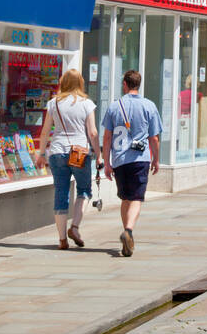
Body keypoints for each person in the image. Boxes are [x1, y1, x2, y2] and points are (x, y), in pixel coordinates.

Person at [36, 68, 101, 250]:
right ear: (80, 83)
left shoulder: (53, 103)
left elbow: (45, 131)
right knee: (84, 190)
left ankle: (62, 239)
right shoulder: (86, 104)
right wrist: (99, 155)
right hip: (79, 151)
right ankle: (75, 227)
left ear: (63, 83)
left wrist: (41, 154)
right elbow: (93, 132)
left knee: (61, 193)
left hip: (57, 151)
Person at [101, 70, 162, 258]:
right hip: (140, 159)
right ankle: (128, 230)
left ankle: (126, 232)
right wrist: (156, 159)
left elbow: (107, 137)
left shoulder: (114, 107)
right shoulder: (149, 106)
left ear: (125, 85)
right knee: (136, 198)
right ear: (138, 85)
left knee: (125, 198)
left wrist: (107, 162)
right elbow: (154, 138)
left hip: (120, 160)